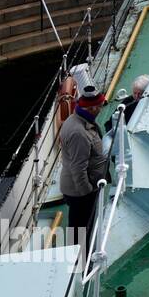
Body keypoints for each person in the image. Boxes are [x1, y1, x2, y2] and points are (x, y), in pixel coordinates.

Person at [59, 82, 109, 248]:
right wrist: (87, 193)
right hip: (80, 193)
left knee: (79, 227)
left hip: (80, 189)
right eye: (100, 105)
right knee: (81, 230)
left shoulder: (79, 120)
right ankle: (80, 264)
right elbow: (78, 168)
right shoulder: (79, 132)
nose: (102, 107)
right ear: (91, 109)